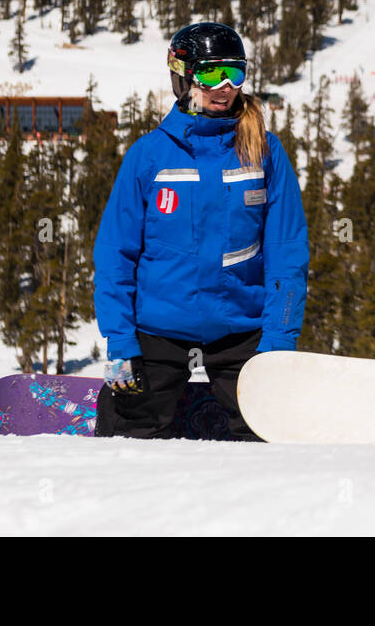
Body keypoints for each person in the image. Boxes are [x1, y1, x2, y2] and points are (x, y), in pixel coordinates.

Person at [93, 22, 308, 439]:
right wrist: (120, 339)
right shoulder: (149, 156)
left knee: (265, 430)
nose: (225, 86)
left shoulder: (263, 151)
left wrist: (279, 337)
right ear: (184, 75)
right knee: (129, 432)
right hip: (159, 329)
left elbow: (287, 249)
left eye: (235, 73)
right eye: (211, 73)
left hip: (239, 329)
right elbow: (115, 253)